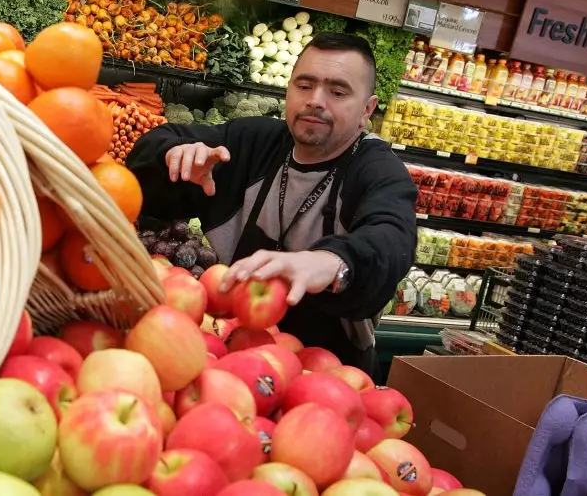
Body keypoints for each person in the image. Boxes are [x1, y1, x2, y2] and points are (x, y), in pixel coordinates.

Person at [126, 32, 417, 375]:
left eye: (337, 92)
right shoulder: (252, 143)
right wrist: (173, 157)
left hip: (325, 377)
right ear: (288, 89)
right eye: (304, 86)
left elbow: (392, 237)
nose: (316, 101)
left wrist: (332, 262)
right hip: (233, 357)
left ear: (367, 109)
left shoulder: (377, 171)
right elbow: (153, 148)